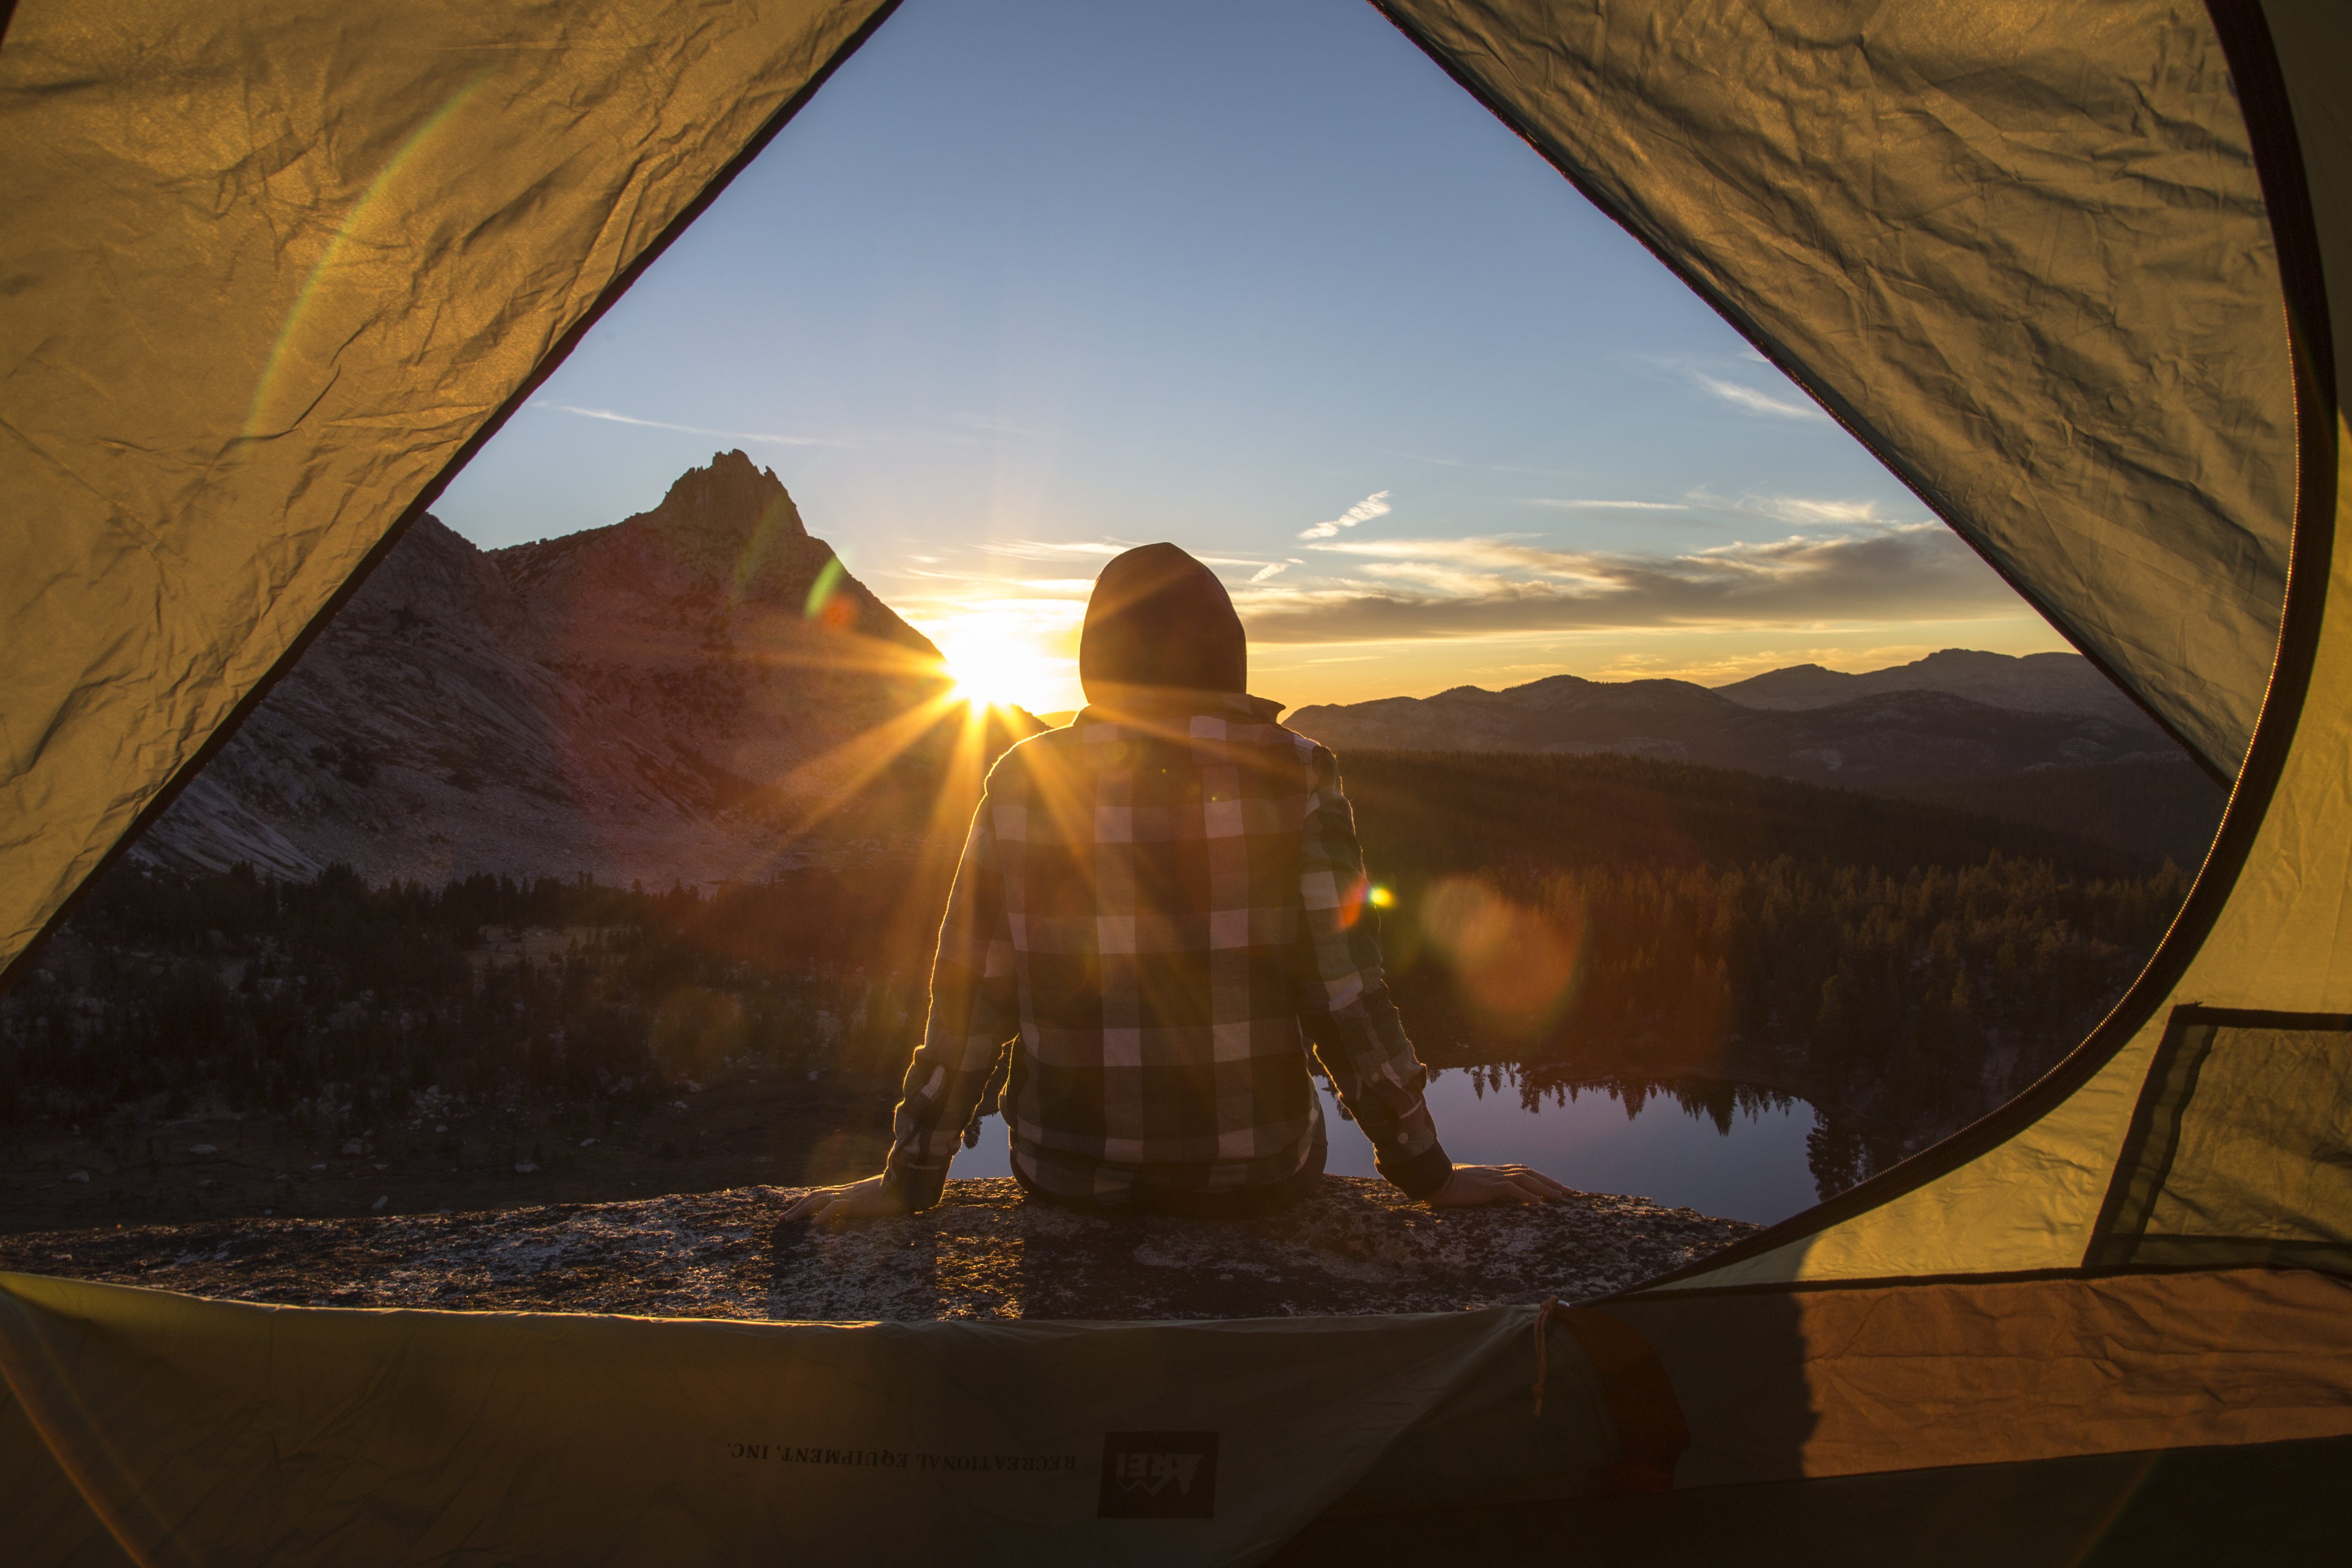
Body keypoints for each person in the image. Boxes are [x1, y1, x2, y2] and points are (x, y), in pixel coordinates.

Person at [782, 543, 1569, 1225]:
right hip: (1256, 1176)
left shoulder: (1022, 779)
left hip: (1068, 1176)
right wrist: (1426, 1172)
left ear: (1097, 658)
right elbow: (1345, 991)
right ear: (1229, 651)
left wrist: (911, 1177)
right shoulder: (1297, 770)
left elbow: (970, 999)